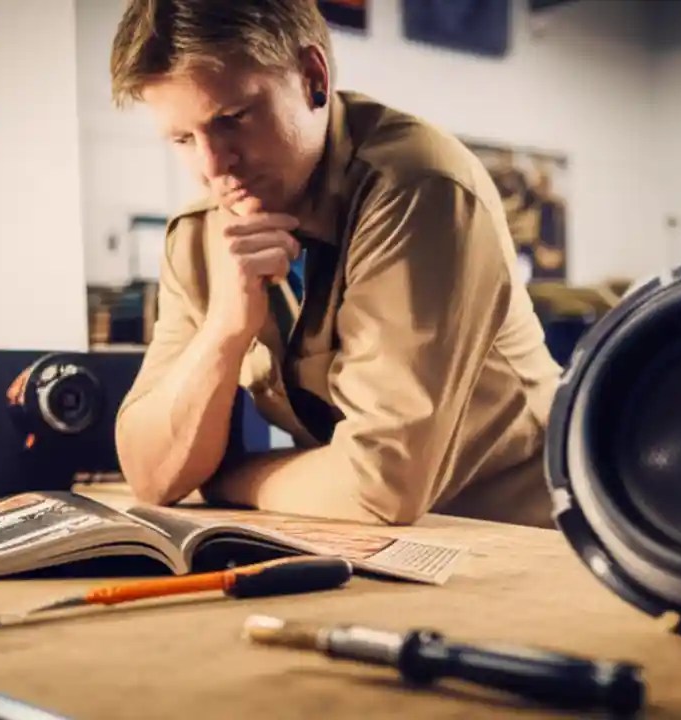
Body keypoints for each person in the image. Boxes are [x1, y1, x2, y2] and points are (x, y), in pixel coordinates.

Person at [108, 0, 562, 528]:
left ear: (313, 77)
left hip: (532, 539)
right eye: (183, 139)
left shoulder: (418, 188)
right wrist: (225, 330)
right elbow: (150, 474)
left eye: (232, 119)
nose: (212, 168)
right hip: (388, 545)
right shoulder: (198, 234)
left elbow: (380, 485)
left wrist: (229, 478)